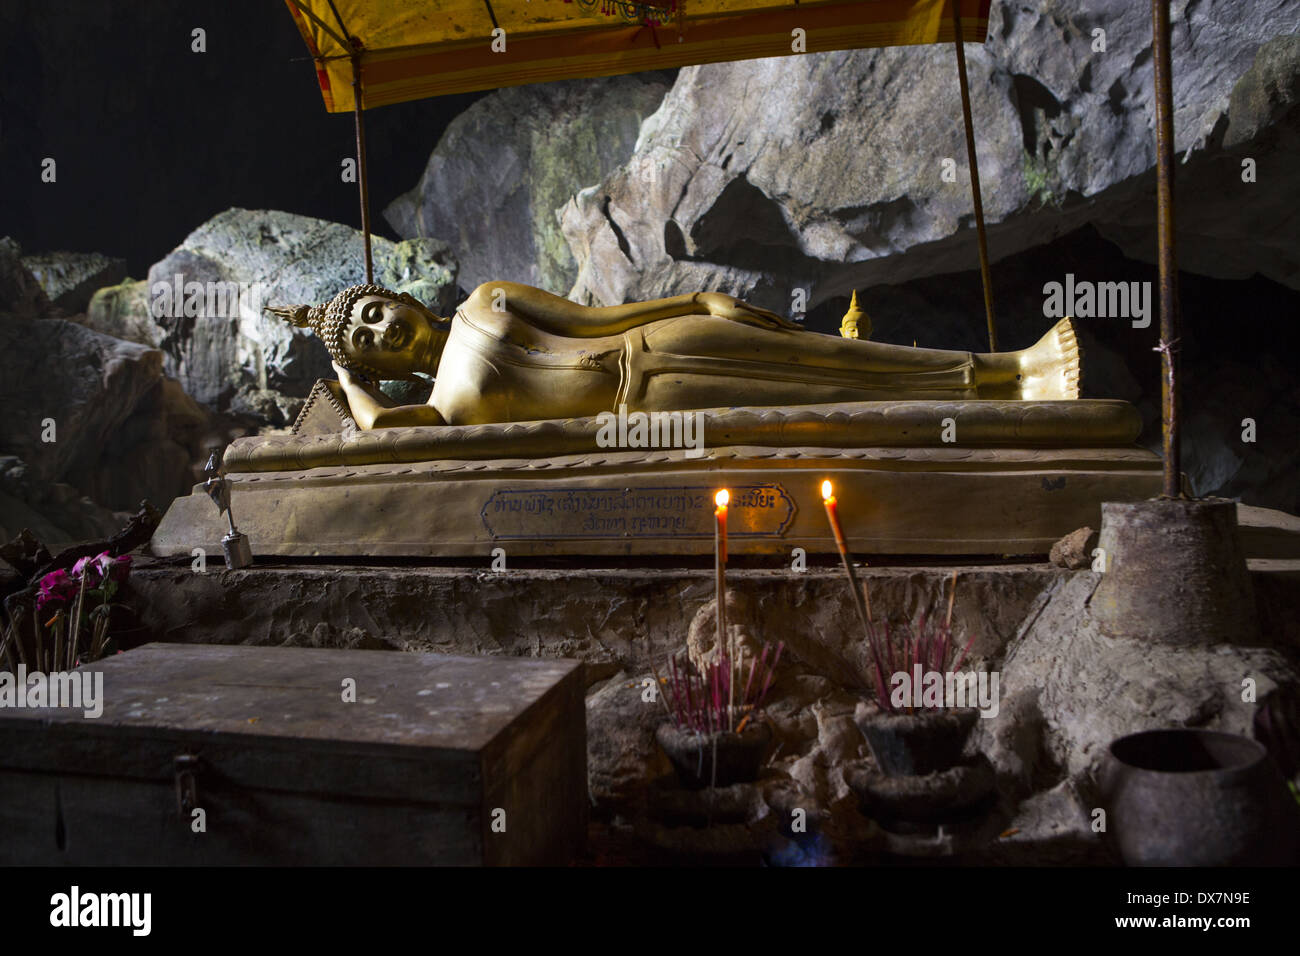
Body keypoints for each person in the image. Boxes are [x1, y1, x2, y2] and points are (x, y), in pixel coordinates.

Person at [269, 281, 1079, 430]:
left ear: (404, 298)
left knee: (821, 354)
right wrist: (343, 377)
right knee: (817, 401)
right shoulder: (438, 409)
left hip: (652, 343)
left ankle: (1010, 365)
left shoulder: (486, 300)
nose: (380, 330)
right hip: (645, 408)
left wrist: (697, 303)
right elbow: (378, 432)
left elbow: (598, 315)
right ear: (380, 366)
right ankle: (997, 407)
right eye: (368, 341)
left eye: (377, 313)